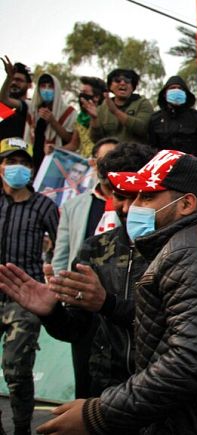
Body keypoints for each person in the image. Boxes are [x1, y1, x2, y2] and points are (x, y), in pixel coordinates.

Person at [34, 149, 197, 434]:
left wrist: (98, 413)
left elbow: (190, 362)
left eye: (147, 197)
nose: (130, 207)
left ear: (186, 203)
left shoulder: (192, 254)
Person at [0, 142, 155, 399]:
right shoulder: (94, 249)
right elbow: (76, 330)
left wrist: (108, 304)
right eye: (119, 195)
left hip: (154, 391)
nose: (127, 208)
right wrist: (51, 312)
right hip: (97, 391)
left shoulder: (176, 248)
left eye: (138, 194)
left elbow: (174, 324)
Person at [50, 137, 118, 398]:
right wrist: (60, 293)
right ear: (93, 163)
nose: (110, 165)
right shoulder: (73, 206)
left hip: (117, 307)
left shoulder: (136, 206)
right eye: (104, 159)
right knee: (86, 383)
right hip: (82, 310)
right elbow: (62, 255)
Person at [0, 137, 59, 435]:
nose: (17, 168)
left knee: (17, 367)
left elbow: (63, 243)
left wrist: (54, 274)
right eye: (11, 162)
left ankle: (21, 428)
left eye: (24, 163)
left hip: (24, 298)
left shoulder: (44, 206)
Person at [148, 76, 197, 160]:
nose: (176, 90)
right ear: (165, 93)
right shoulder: (155, 118)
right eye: (172, 88)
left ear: (185, 94)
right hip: (165, 167)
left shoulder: (196, 117)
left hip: (193, 167)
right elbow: (151, 147)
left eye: (180, 88)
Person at [87, 68, 153, 144]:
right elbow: (96, 140)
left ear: (133, 86)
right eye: (117, 80)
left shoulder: (143, 103)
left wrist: (115, 111)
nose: (122, 83)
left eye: (127, 80)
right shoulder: (102, 108)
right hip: (110, 153)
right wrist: (94, 119)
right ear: (110, 86)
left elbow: (142, 129)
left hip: (136, 153)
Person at [26, 72, 77, 170]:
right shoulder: (32, 109)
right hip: (33, 160)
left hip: (55, 161)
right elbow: (5, 101)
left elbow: (70, 139)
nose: (46, 90)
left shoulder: (68, 112)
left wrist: (53, 121)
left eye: (50, 87)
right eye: (43, 86)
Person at [65, 76, 108, 158]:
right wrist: (55, 149)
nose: (81, 95)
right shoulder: (80, 117)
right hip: (85, 164)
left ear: (97, 97)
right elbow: (74, 145)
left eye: (85, 92)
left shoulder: (106, 115)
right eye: (81, 92)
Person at [0, 57, 32, 141]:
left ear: (29, 85)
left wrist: (9, 77)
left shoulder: (31, 106)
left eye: (18, 80)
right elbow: (3, 100)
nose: (14, 82)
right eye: (12, 79)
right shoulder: (4, 107)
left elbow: (4, 99)